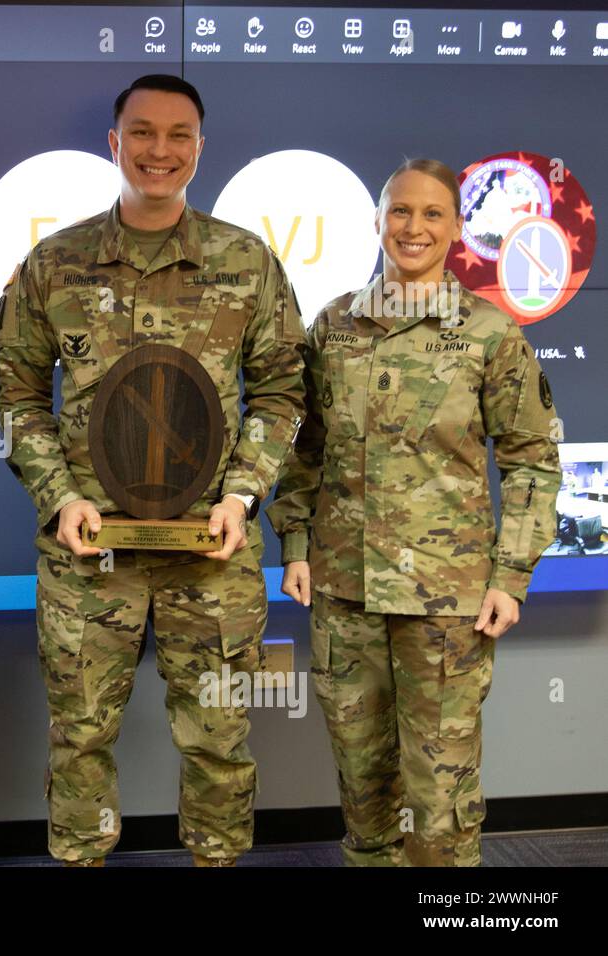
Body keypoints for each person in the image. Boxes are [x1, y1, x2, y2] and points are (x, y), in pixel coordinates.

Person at [0, 75, 306, 866]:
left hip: (214, 553)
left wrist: (243, 493)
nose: (159, 150)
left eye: (177, 135)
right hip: (90, 554)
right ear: (115, 143)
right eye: (142, 133)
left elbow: (283, 391)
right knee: (80, 745)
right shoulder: (55, 265)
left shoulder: (247, 262)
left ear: (199, 147)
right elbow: (17, 392)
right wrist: (57, 497)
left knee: (221, 744)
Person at [267, 158, 561, 866]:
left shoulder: (490, 333)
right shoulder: (333, 327)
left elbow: (531, 460)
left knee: (440, 809)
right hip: (345, 597)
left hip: (448, 605)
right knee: (366, 803)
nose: (414, 227)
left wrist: (510, 576)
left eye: (433, 214)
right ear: (376, 221)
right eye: (400, 211)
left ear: (458, 228)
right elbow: (304, 449)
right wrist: (297, 545)